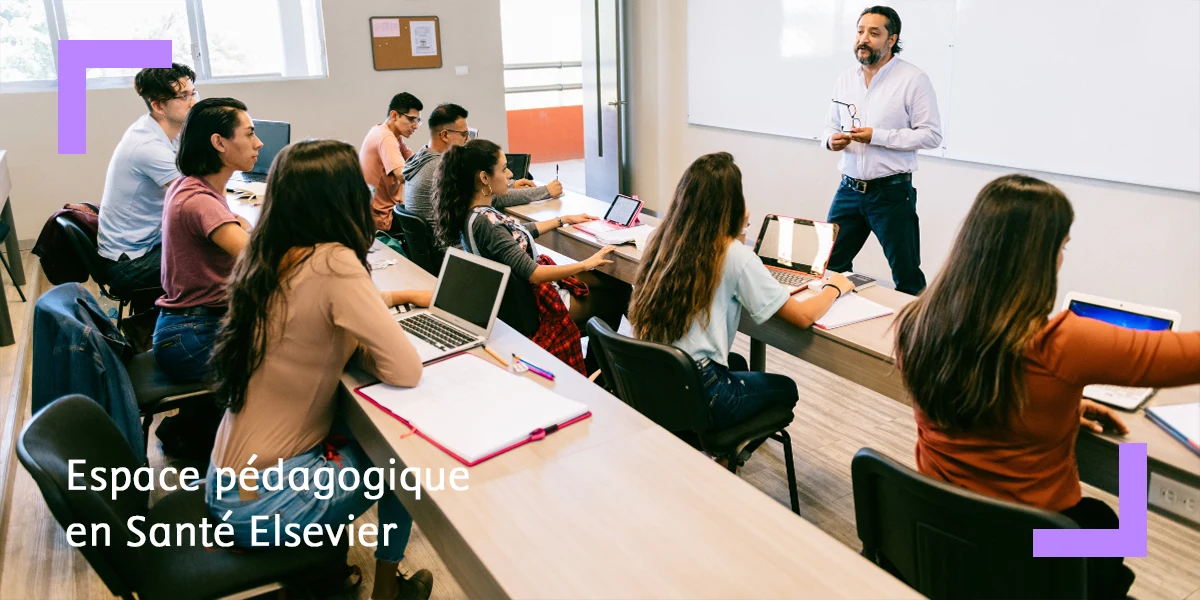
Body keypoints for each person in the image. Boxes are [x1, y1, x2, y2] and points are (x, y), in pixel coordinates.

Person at [895, 174, 1200, 598]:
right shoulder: (1064, 343)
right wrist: (1131, 454)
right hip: (1031, 552)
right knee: (1125, 503)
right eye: (1062, 246)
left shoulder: (917, 322)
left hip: (940, 531)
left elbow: (984, 393)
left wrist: (1060, 406)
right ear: (1039, 257)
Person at [207, 139, 435, 600]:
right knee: (404, 463)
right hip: (269, 502)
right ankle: (388, 587)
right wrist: (370, 342)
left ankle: (336, 573)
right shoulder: (334, 260)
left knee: (364, 436)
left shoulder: (268, 254)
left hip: (227, 485)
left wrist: (369, 322)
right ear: (345, 196)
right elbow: (406, 369)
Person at [629, 152, 854, 435]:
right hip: (699, 390)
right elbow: (803, 317)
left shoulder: (661, 238)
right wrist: (835, 287)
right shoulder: (732, 255)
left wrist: (739, 230)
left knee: (737, 364)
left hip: (651, 377)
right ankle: (723, 459)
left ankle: (717, 450)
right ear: (731, 203)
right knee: (786, 388)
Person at [433, 140, 625, 373]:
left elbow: (516, 236)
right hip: (537, 307)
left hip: (517, 302)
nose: (510, 174)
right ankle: (598, 371)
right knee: (619, 294)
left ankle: (598, 368)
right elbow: (534, 274)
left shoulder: (474, 213)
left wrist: (562, 220)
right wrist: (586, 262)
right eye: (504, 169)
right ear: (484, 178)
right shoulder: (488, 224)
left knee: (609, 281)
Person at [822, 5, 941, 296]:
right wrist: (830, 140)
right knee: (828, 267)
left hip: (891, 194)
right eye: (860, 31)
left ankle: (914, 339)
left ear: (891, 40)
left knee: (907, 276)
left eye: (874, 33)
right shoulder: (845, 79)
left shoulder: (913, 79)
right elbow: (828, 127)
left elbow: (931, 135)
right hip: (848, 190)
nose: (864, 39)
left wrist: (878, 136)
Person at [153, 97, 259, 384]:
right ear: (219, 142)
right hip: (194, 337)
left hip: (186, 327)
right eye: (249, 134)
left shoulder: (190, 185)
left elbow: (240, 225)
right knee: (304, 353)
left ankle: (193, 424)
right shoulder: (201, 201)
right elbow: (261, 261)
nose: (258, 143)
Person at [96, 63, 198, 306]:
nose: (193, 101)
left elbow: (196, 176)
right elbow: (195, 198)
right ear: (158, 106)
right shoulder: (148, 147)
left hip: (147, 245)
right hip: (130, 265)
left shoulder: (163, 130)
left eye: (193, 93)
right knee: (219, 259)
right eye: (183, 96)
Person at [403, 103, 562, 224]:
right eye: (464, 134)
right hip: (452, 250)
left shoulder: (421, 157)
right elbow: (491, 197)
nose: (468, 140)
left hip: (436, 249)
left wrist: (510, 184)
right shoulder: (441, 169)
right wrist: (545, 191)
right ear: (445, 135)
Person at [360, 92, 423, 232]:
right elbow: (402, 174)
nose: (415, 126)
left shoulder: (389, 133)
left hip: (379, 212)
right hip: (381, 219)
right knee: (432, 224)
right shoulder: (386, 138)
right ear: (395, 115)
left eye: (418, 121)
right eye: (412, 119)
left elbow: (414, 161)